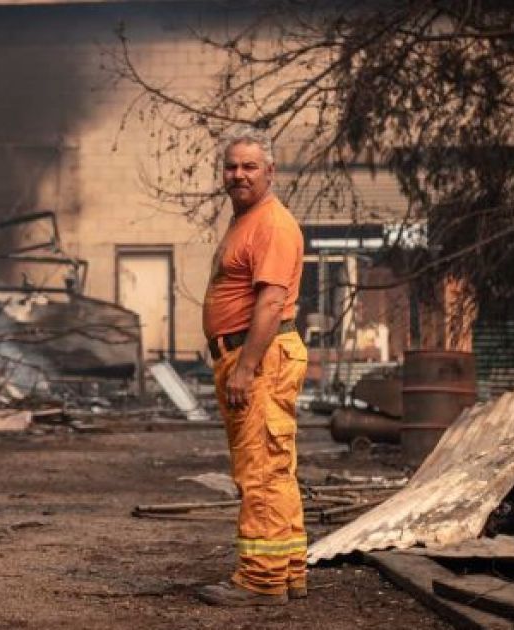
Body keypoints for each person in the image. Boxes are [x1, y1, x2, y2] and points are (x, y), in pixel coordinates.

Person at [197, 128, 308, 607]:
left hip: (259, 358)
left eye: (249, 166)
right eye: (232, 166)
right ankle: (290, 570)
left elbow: (270, 302)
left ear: (271, 171)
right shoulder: (246, 220)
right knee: (275, 467)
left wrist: (245, 367)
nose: (238, 174)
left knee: (260, 471)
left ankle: (261, 582)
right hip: (250, 356)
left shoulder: (272, 224)